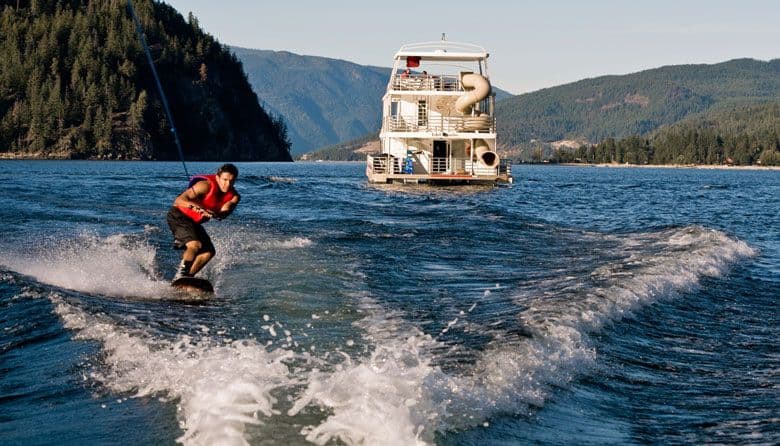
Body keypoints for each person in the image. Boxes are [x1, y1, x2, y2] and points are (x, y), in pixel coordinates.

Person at [167, 163, 241, 280]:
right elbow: (178, 200)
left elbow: (224, 212)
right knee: (195, 245)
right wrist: (195, 207)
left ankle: (187, 278)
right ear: (217, 177)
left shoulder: (234, 197)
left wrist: (215, 214)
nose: (227, 184)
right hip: (179, 215)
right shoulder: (204, 185)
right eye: (224, 179)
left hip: (193, 222)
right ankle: (180, 276)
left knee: (208, 252)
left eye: (231, 181)